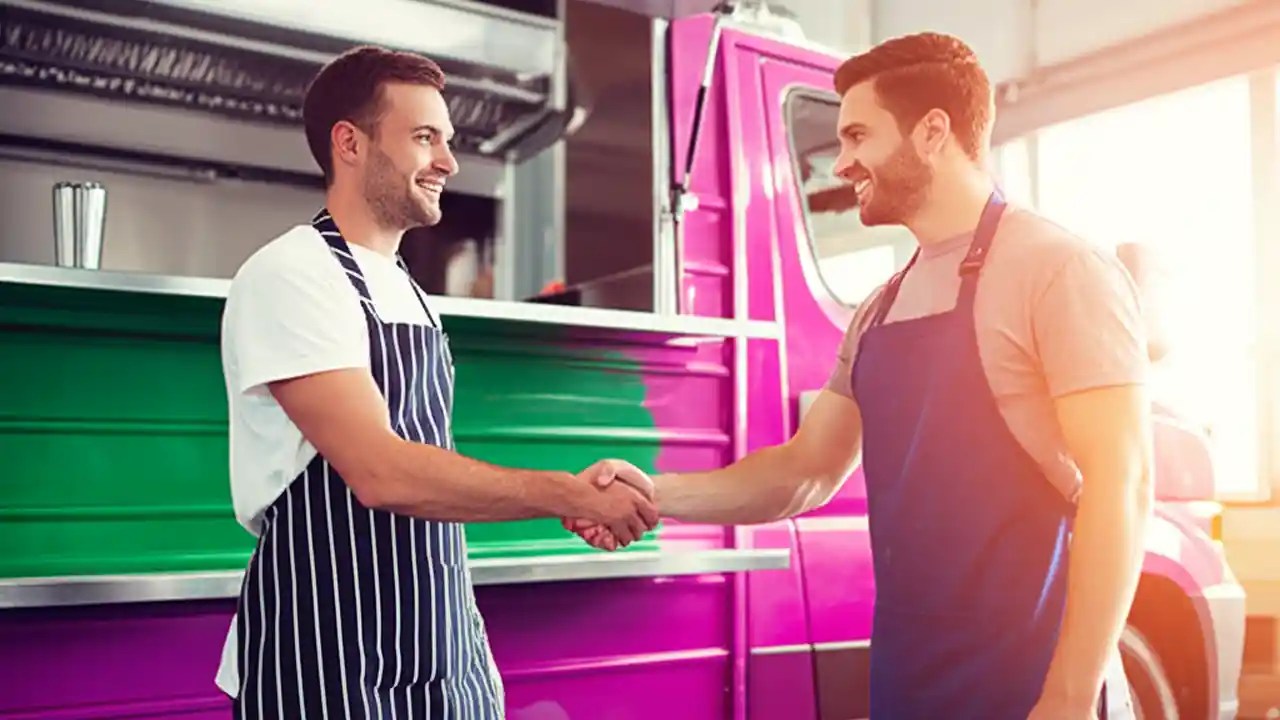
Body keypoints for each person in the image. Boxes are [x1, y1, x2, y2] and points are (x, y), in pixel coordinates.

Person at [569, 32, 1152, 720]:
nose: (840, 163)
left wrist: (1071, 696)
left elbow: (1124, 484)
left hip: (1027, 688)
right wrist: (654, 493)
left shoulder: (1060, 269)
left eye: (856, 136)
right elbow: (804, 472)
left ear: (932, 132)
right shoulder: (882, 306)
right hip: (910, 684)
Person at [213, 45, 658, 719]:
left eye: (447, 141)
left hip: (436, 650)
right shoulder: (291, 274)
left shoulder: (408, 292)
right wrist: (570, 494)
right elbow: (384, 474)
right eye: (425, 138)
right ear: (350, 143)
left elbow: (433, 476)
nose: (449, 162)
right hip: (327, 654)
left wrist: (470, 653)